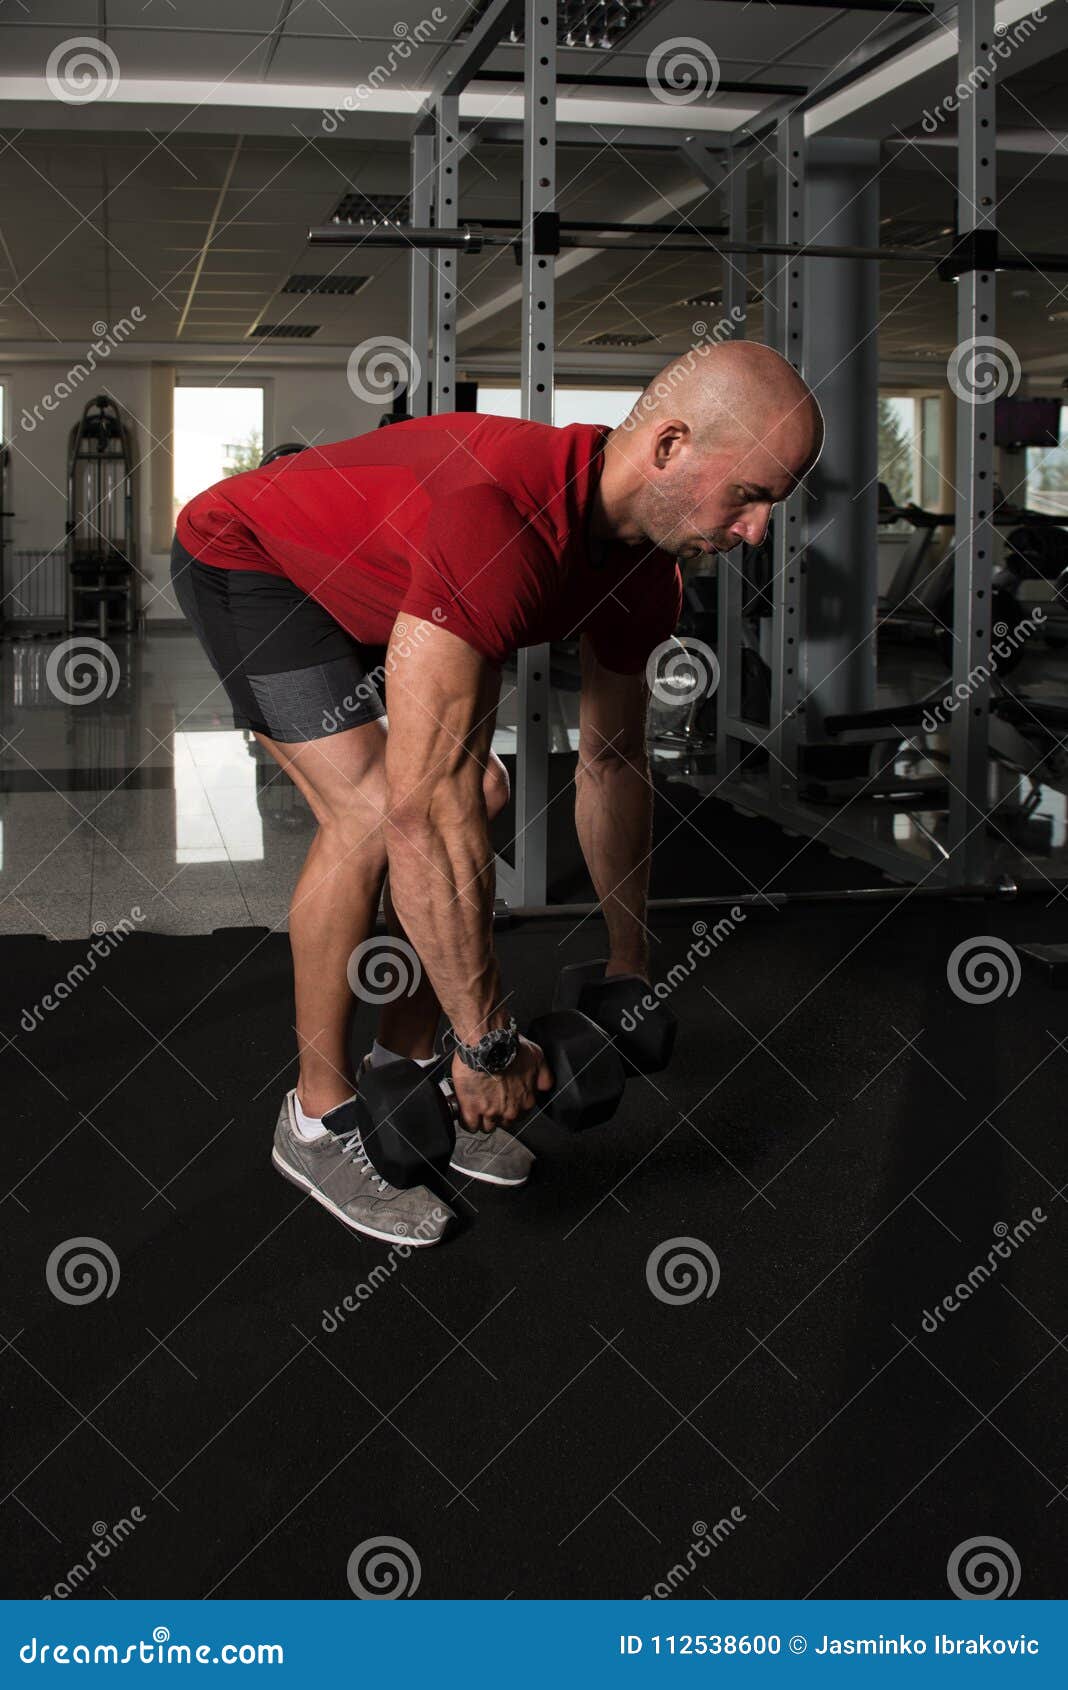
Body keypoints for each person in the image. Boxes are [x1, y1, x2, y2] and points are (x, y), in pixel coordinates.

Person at [171, 339, 824, 1247]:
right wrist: (491, 1042)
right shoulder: (501, 520)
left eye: (771, 505)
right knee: (371, 812)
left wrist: (629, 965)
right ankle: (317, 1118)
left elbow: (615, 759)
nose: (757, 529)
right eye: (750, 494)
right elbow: (418, 810)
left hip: (379, 578)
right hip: (253, 558)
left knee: (480, 785)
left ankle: (411, 1068)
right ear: (670, 447)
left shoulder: (648, 572)